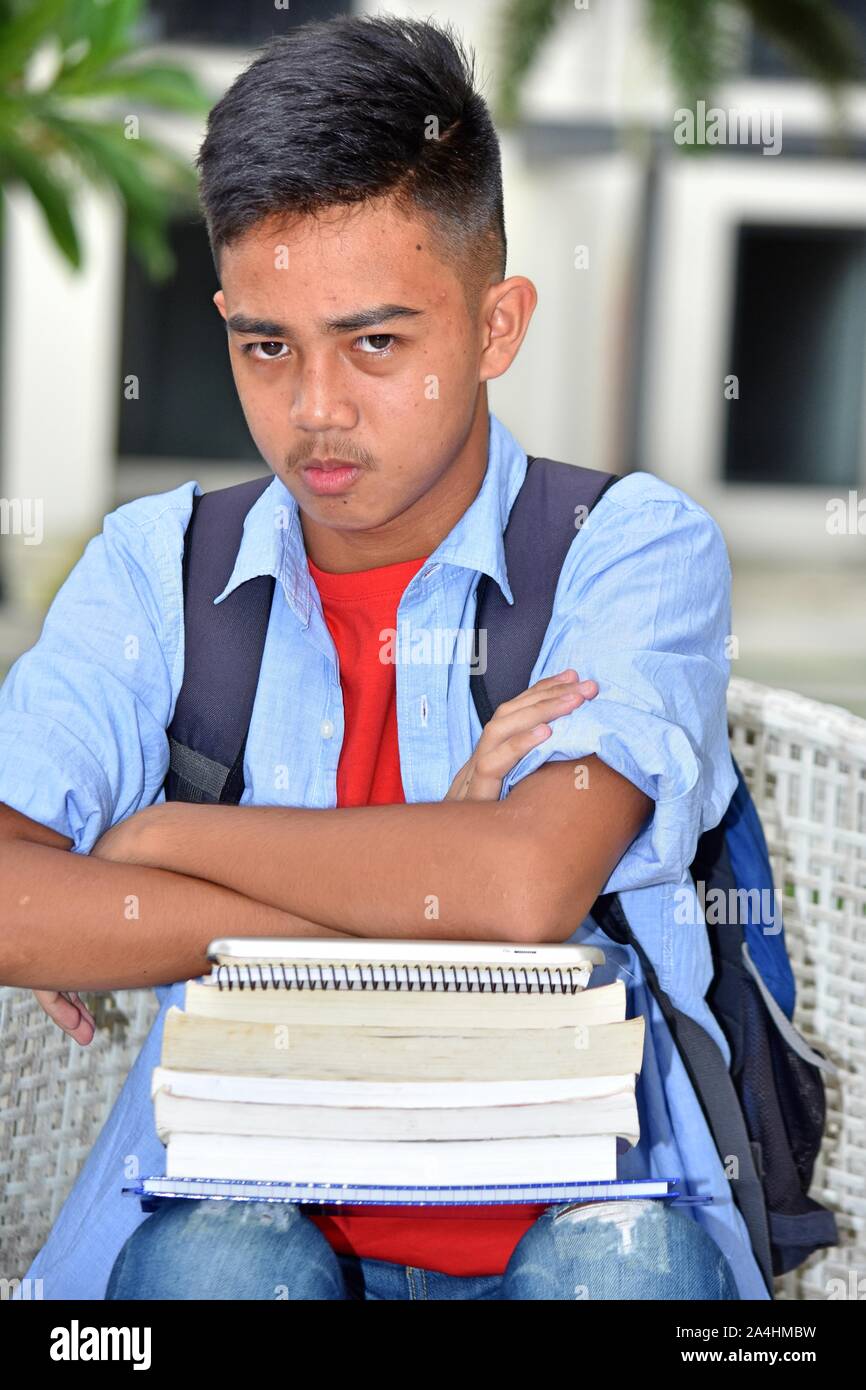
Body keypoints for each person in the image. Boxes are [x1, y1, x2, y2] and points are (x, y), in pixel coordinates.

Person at [1, 14, 764, 1300]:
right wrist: (425, 868)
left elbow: (521, 891)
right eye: (266, 346)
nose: (314, 411)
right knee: (213, 1274)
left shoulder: (625, 549)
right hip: (234, 1205)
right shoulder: (157, 568)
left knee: (622, 1280)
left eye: (375, 342)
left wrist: (149, 844)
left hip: (583, 1218)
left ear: (494, 325)